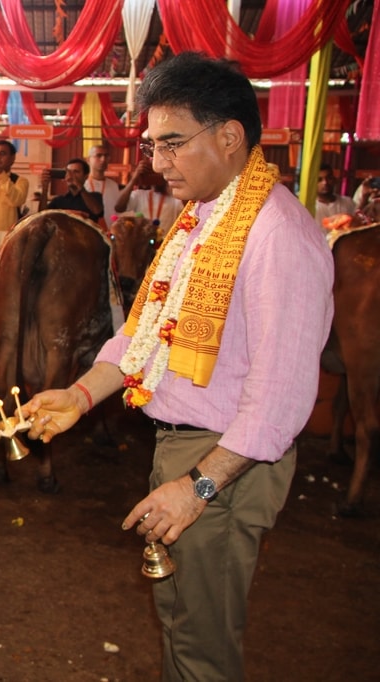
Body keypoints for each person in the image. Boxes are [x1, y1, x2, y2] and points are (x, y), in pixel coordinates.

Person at [19, 52, 333, 681]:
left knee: (201, 645)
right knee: (179, 618)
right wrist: (79, 396)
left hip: (228, 463)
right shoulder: (201, 219)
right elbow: (144, 338)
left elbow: (279, 397)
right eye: (151, 145)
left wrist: (199, 487)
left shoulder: (276, 235)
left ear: (229, 136)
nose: (157, 163)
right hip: (186, 451)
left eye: (171, 144)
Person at [114, 157, 185, 238]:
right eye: (151, 173)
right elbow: (119, 207)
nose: (155, 175)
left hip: (163, 244)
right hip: (142, 244)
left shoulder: (174, 198)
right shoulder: (139, 195)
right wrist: (134, 179)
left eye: (158, 173)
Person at [38, 157, 105, 224]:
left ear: (86, 176)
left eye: (76, 172)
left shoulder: (95, 196)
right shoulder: (59, 201)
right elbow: (42, 216)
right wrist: (45, 189)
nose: (71, 175)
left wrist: (79, 186)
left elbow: (97, 211)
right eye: (68, 172)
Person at [314, 163, 356, 229]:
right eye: (319, 180)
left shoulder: (348, 202)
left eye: (329, 178)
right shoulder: (308, 207)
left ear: (334, 180)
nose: (325, 182)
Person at [86, 143, 122, 220]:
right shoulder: (83, 185)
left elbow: (117, 211)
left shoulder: (113, 185)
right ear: (88, 159)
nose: (103, 159)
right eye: (98, 156)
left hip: (109, 230)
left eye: (106, 156)